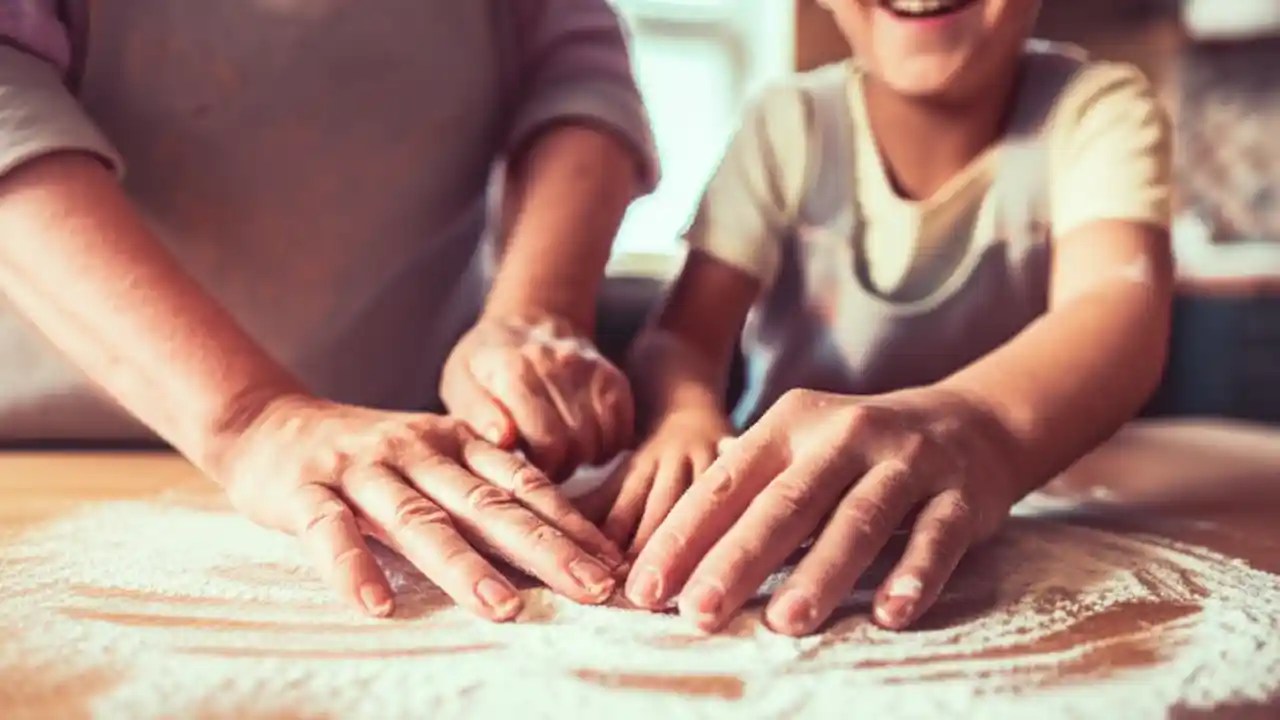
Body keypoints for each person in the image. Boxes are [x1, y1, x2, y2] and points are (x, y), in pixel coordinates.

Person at [0, 0, 657, 621]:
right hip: (39, 463)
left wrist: (535, 313)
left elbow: (578, 81)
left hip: (388, 455)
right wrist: (250, 416)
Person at [601, 0, 1174, 636]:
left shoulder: (1095, 111)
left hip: (1019, 521)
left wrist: (976, 432)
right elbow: (682, 336)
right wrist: (683, 414)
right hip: (779, 520)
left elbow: (1117, 310)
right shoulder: (792, 124)